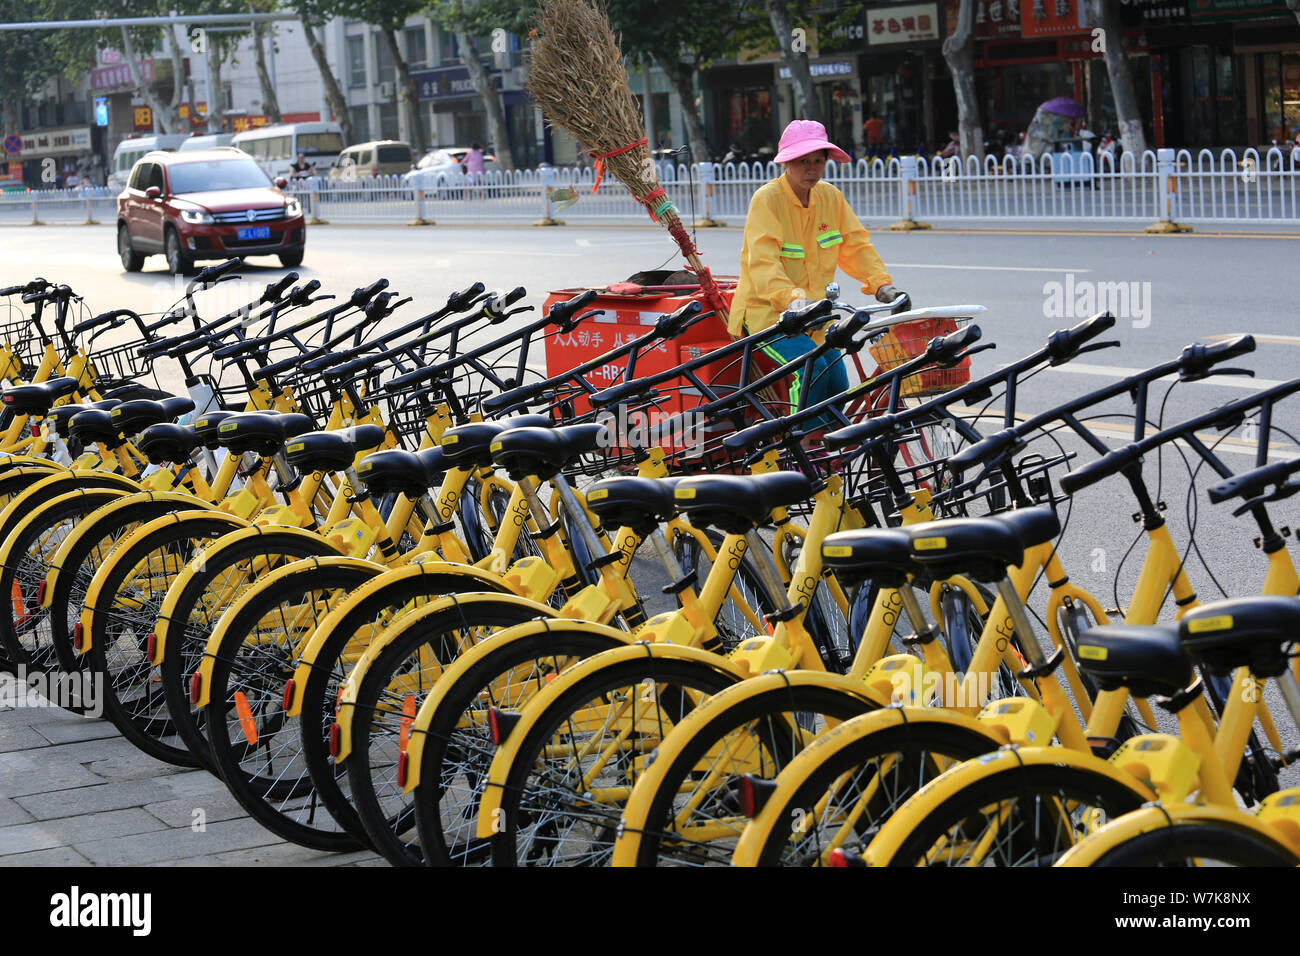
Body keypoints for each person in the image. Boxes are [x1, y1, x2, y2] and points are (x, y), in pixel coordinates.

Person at [732, 119, 904, 427]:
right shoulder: (767, 199)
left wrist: (882, 285)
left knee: (838, 382)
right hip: (770, 317)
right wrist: (793, 299)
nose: (811, 168)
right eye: (803, 161)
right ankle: (800, 446)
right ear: (787, 161)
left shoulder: (831, 197)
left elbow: (856, 246)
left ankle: (824, 454)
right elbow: (763, 263)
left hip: (816, 318)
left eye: (818, 160)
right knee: (809, 371)